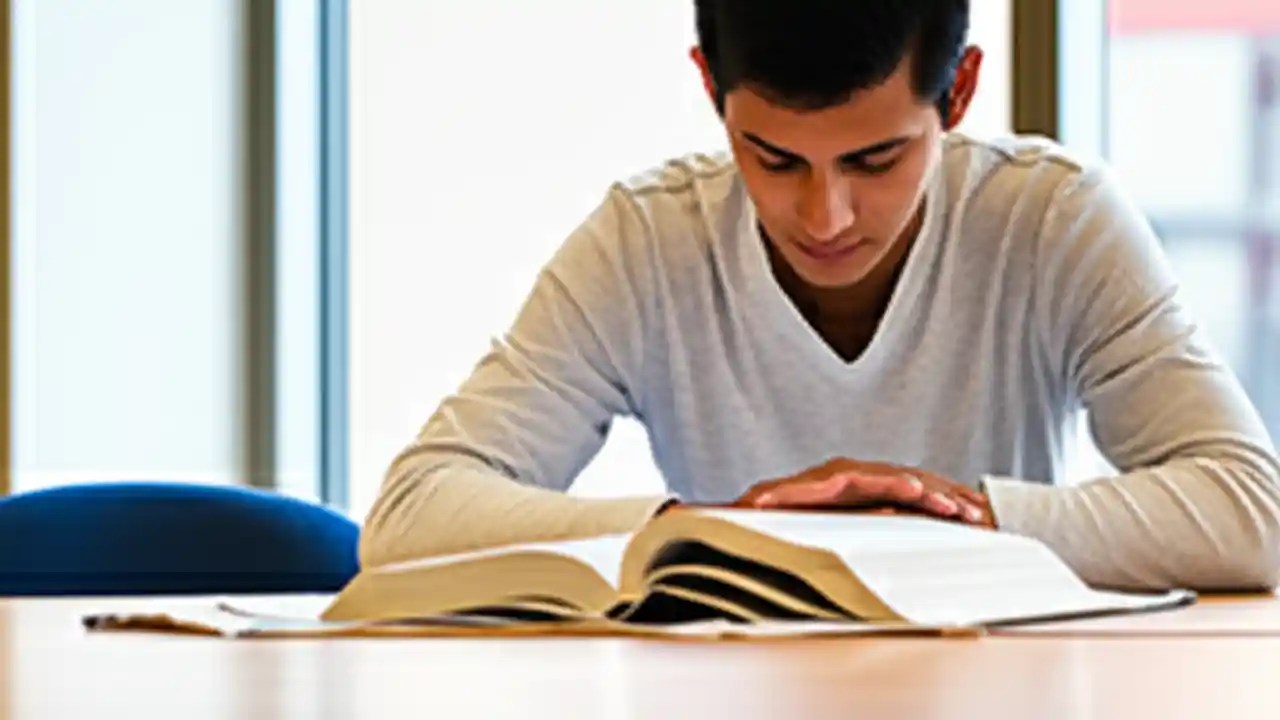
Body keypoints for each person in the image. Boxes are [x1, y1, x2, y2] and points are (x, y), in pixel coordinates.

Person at [359, 0, 1280, 591]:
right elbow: (412, 513)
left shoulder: (1052, 219)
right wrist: (719, 533)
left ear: (957, 94)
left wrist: (956, 524)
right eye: (774, 159)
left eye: (875, 160)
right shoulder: (649, 239)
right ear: (709, 87)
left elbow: (1252, 511)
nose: (825, 215)